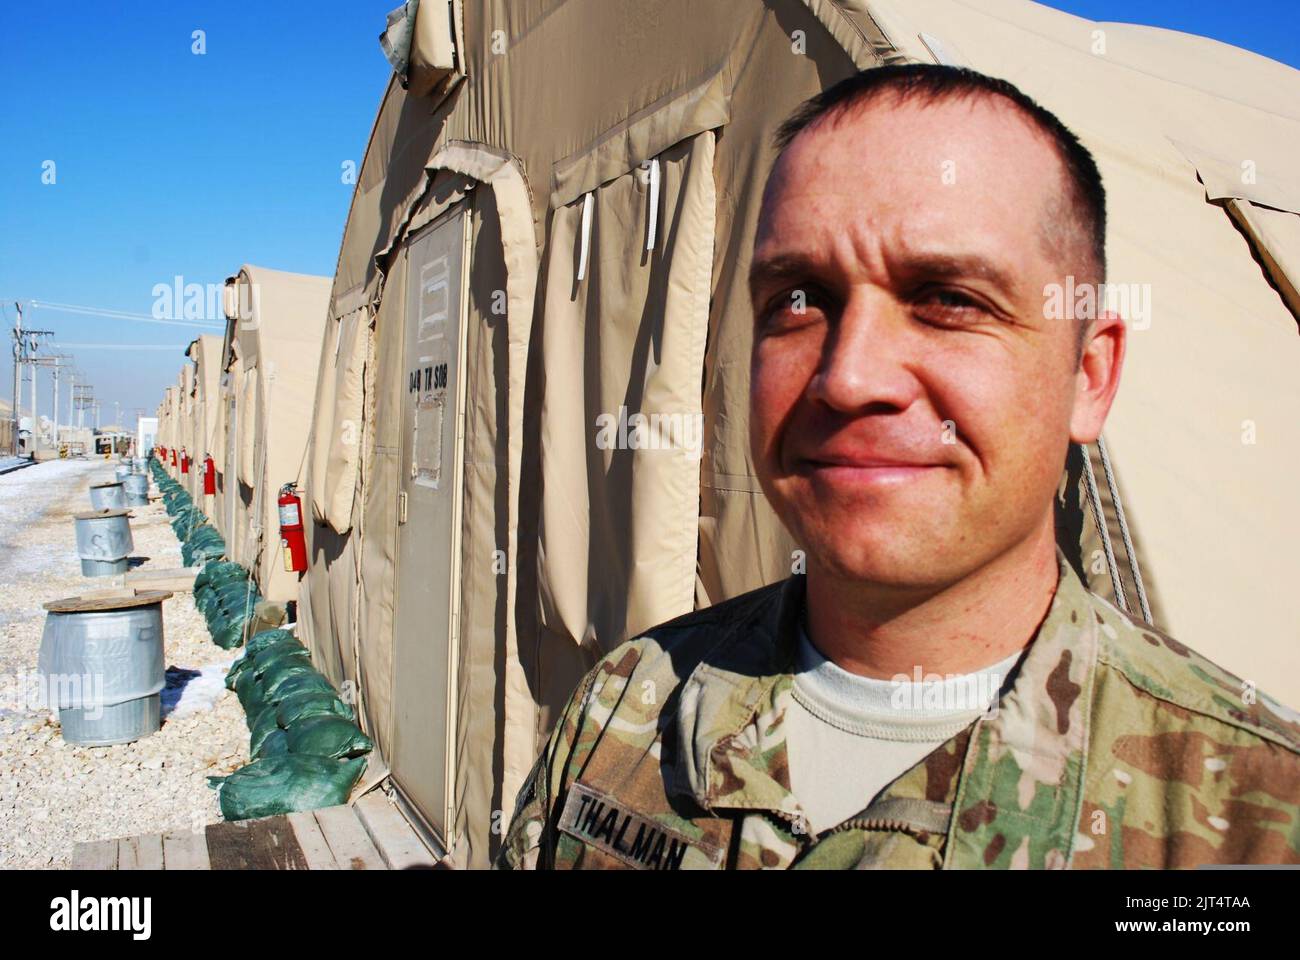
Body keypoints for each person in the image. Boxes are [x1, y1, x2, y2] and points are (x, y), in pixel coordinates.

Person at [497, 64, 1300, 870]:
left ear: (1088, 377)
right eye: (800, 299)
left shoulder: (1252, 818)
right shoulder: (625, 709)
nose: (848, 378)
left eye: (949, 298)